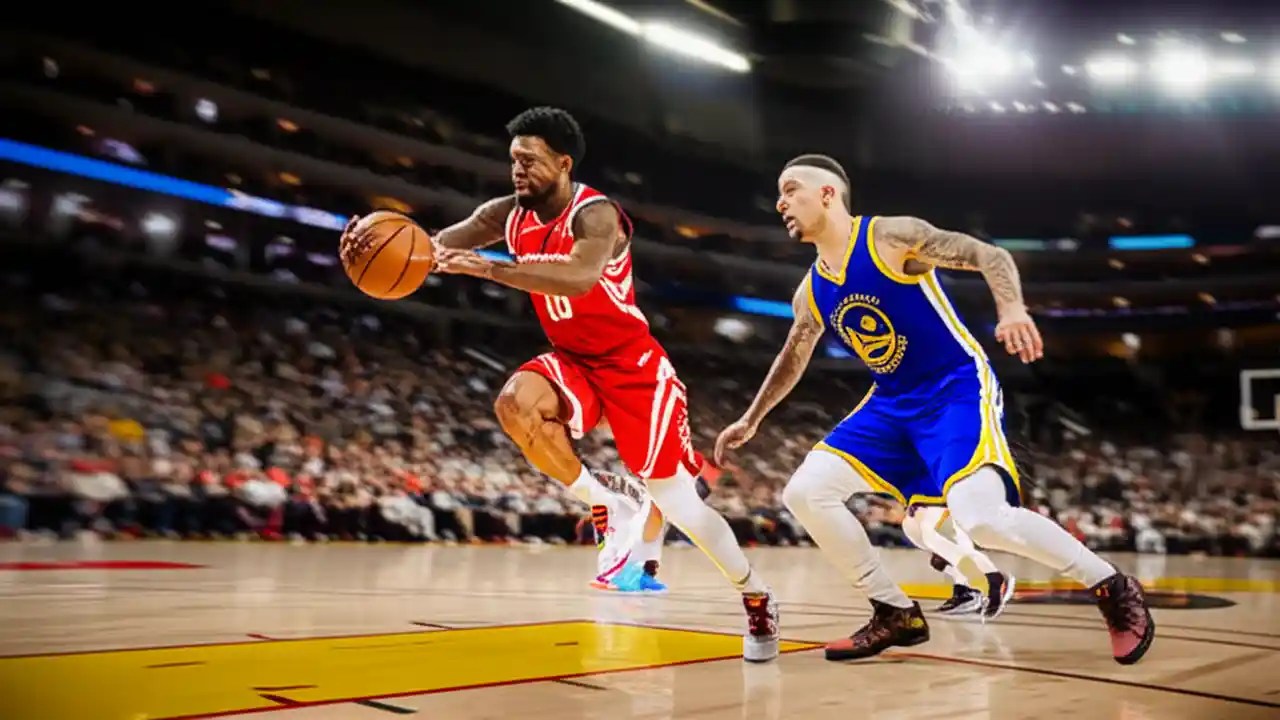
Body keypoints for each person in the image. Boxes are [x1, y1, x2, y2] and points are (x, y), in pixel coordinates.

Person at [341, 107, 779, 661]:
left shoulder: (597, 216)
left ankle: (756, 596)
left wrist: (487, 267)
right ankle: (608, 501)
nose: (517, 170)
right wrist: (375, 246)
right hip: (574, 360)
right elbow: (429, 248)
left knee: (679, 504)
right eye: (513, 160)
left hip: (633, 368)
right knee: (514, 404)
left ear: (564, 163)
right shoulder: (505, 213)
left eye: (530, 160)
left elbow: (578, 277)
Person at [715, 153, 1153, 665]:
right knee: (805, 492)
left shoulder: (889, 237)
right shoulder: (810, 290)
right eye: (779, 194)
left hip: (954, 388)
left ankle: (1111, 585)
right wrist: (751, 418)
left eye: (791, 190)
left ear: (828, 194)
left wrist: (1012, 308)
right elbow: (793, 354)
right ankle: (894, 611)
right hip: (890, 400)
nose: (780, 203)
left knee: (982, 520)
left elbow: (989, 255)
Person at [900, 504, 1013, 618]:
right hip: (918, 514)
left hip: (938, 508)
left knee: (960, 552)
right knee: (940, 561)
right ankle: (967, 590)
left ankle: (993, 579)